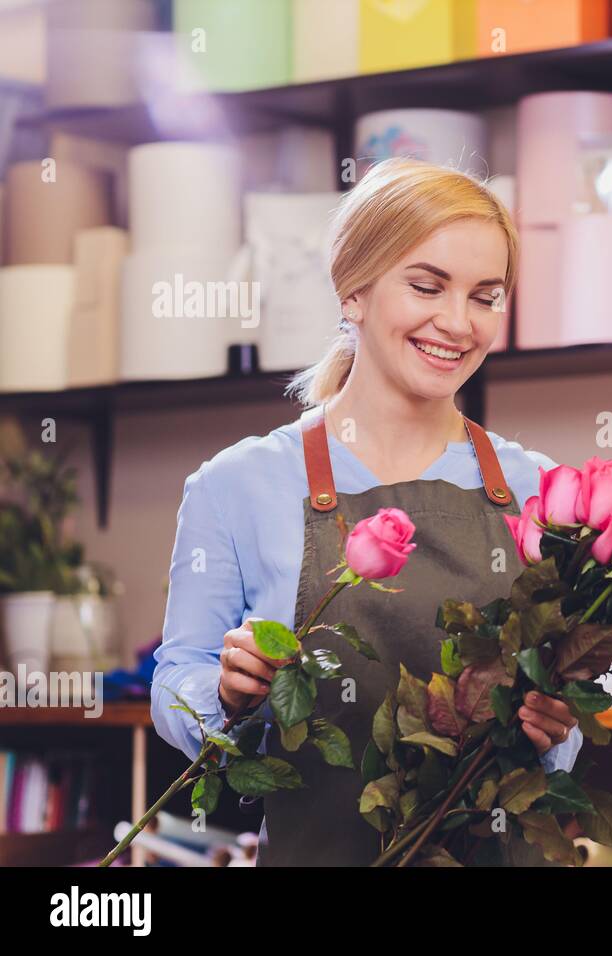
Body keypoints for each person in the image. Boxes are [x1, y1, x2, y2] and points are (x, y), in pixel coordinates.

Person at [151, 159, 581, 865]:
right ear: (353, 290)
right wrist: (222, 698)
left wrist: (555, 729)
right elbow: (177, 677)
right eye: (427, 286)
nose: (457, 322)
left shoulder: (543, 491)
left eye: (486, 296)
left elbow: (562, 735)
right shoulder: (237, 485)